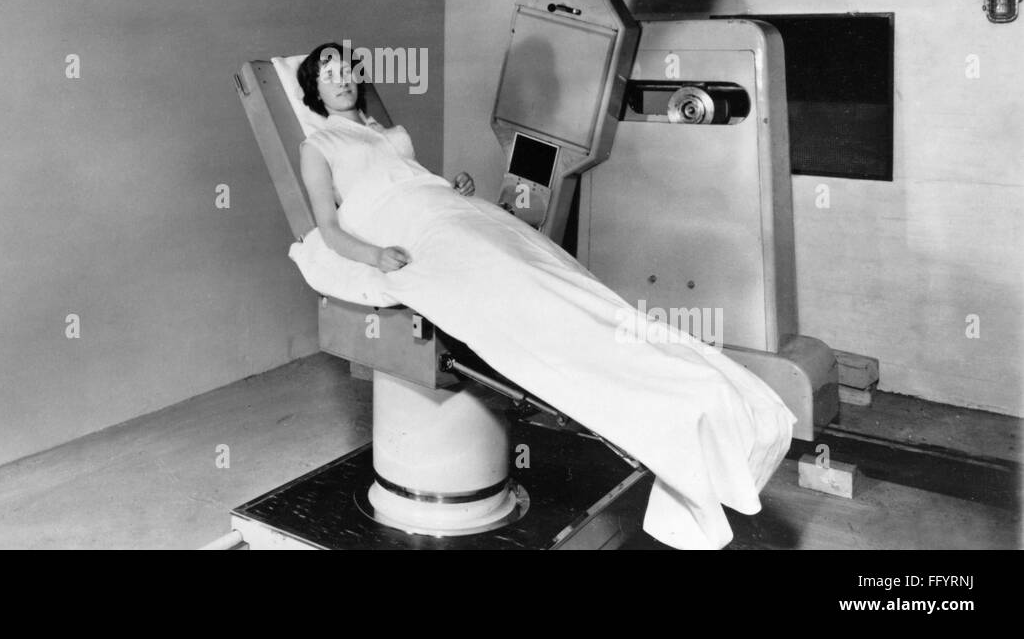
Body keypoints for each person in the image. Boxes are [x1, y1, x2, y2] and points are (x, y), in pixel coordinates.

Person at [294, 40, 796, 550]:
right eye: (328, 73)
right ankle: (676, 408)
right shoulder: (319, 146)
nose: (342, 79)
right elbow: (329, 229)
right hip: (404, 232)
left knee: (554, 275)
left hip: (449, 211)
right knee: (522, 292)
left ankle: (699, 388)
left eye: (348, 69)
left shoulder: (383, 132)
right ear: (314, 89)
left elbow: (408, 177)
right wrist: (376, 257)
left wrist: (450, 184)